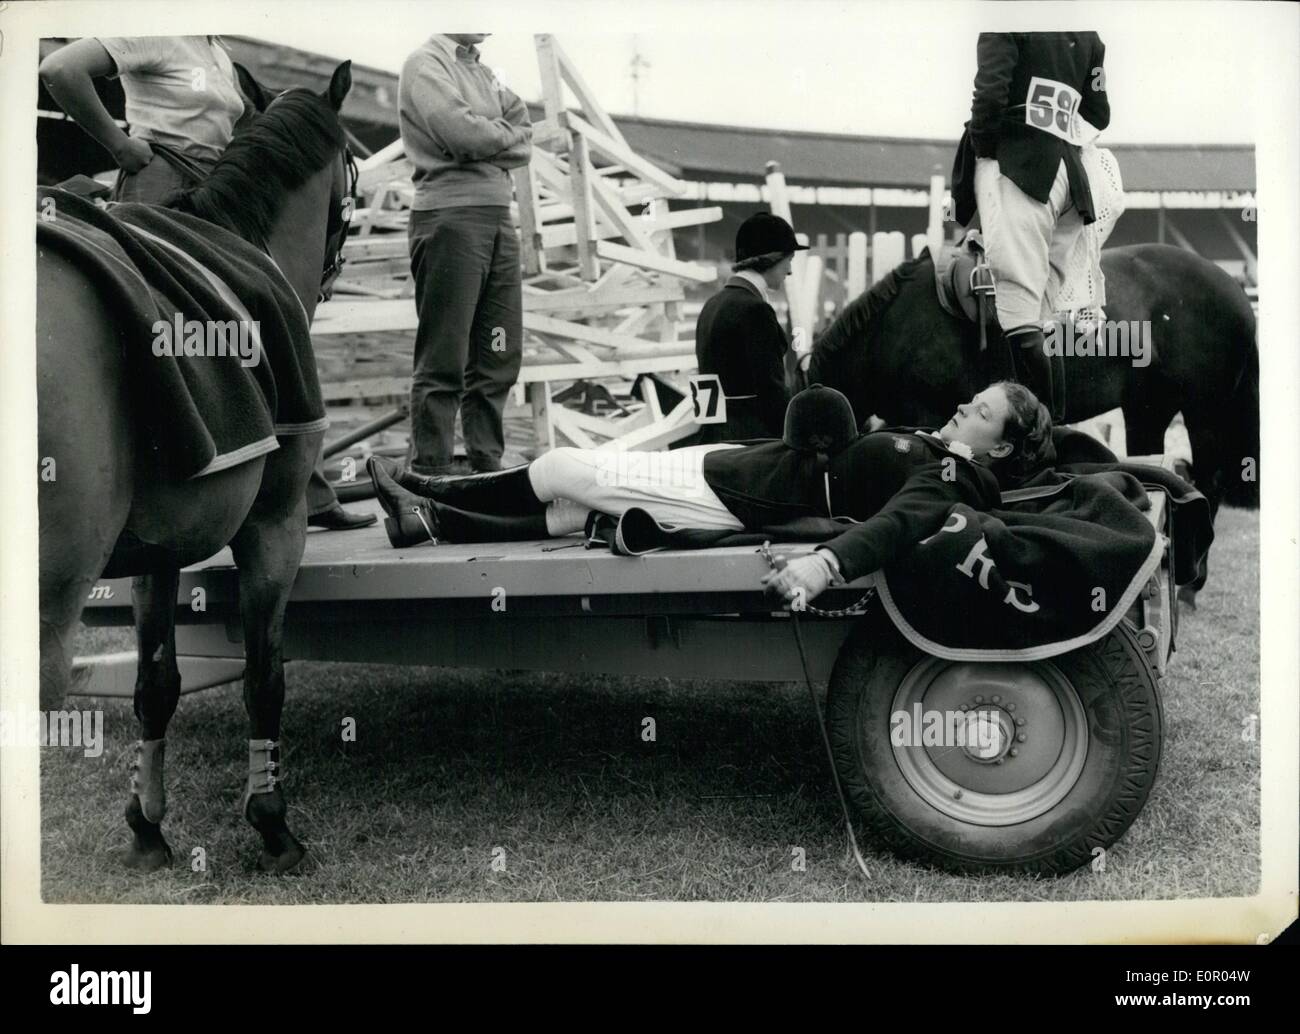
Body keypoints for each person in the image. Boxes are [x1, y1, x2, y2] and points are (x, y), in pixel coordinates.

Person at [39, 36, 375, 531]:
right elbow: (60, 68)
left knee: (261, 319)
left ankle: (300, 488)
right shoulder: (153, 32)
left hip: (214, 185)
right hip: (160, 186)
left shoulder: (215, 50)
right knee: (179, 332)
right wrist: (119, 144)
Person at [368, 381, 1052, 605]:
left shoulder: (949, 477)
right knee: (572, 509)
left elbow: (899, 524)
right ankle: (430, 521)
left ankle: (433, 490)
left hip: (735, 499)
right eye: (976, 398)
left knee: (559, 468)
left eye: (984, 412)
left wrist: (825, 565)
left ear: (1001, 446)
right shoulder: (941, 449)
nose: (968, 407)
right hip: (739, 466)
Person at [950, 31, 1110, 423]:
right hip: (1070, 182)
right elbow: (1099, 114)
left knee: (1018, 313)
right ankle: (1052, 431)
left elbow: (988, 97)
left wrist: (988, 150)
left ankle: (1043, 441)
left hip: (1020, 168)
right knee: (1039, 319)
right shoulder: (1088, 35)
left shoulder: (1006, 21)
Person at [399, 33, 532, 475]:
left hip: (497, 219)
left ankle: (486, 461)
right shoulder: (426, 65)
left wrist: (487, 134)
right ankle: (430, 472)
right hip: (452, 218)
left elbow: (524, 128)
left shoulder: (486, 72)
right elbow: (461, 134)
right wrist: (500, 138)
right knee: (446, 354)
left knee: (498, 345)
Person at [693, 212, 807, 443]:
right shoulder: (755, 310)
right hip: (750, 442)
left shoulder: (712, 305)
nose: (790, 271)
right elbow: (771, 391)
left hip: (713, 436)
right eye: (789, 260)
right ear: (773, 258)